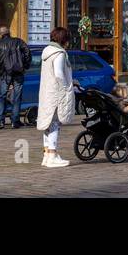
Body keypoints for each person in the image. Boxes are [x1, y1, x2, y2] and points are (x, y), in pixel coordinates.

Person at [37, 27, 78, 167]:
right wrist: (67, 87)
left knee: (47, 124)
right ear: (64, 40)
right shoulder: (59, 53)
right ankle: (53, 154)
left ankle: (47, 155)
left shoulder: (47, 51)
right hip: (56, 93)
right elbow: (59, 73)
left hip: (47, 92)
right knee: (55, 123)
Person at [0, 25, 30, 130]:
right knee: (17, 97)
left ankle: (1, 121)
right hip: (18, 72)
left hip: (4, 73)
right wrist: (25, 65)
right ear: (9, 33)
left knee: (2, 96)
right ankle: (15, 121)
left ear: (1, 35)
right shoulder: (18, 41)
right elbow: (27, 52)